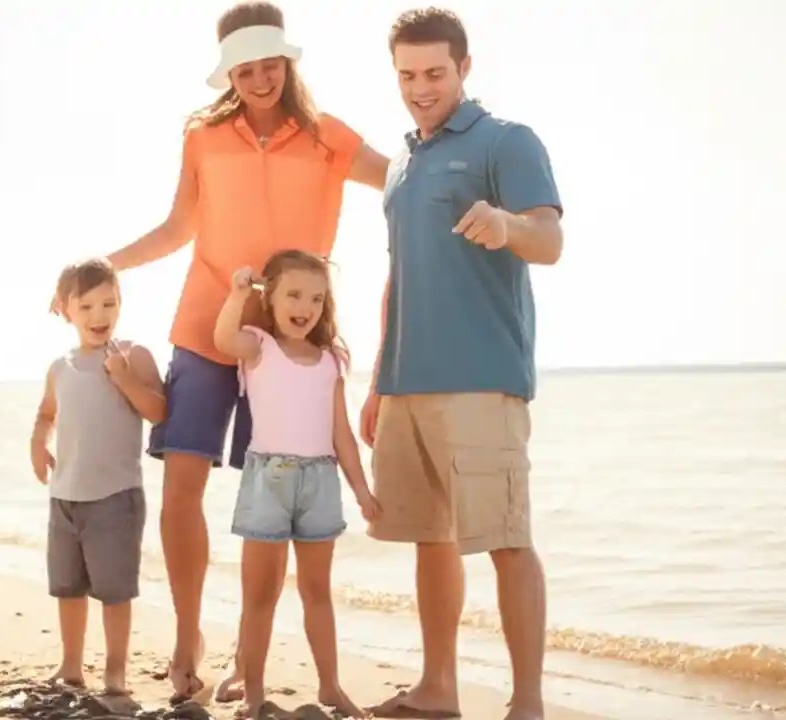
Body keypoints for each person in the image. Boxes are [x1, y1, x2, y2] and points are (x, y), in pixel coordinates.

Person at [106, 0, 389, 703]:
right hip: (209, 325)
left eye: (270, 65)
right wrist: (106, 264)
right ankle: (187, 637)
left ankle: (245, 656)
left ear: (286, 63)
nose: (260, 79)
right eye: (246, 69)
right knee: (182, 487)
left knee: (271, 492)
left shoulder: (328, 138)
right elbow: (180, 226)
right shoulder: (205, 137)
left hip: (292, 343)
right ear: (227, 72)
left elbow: (407, 180)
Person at [358, 8, 565, 720]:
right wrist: (379, 381)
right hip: (406, 384)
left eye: (435, 73)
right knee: (430, 541)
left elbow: (549, 238)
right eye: (407, 75)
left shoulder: (505, 142)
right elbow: (399, 277)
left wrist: (507, 225)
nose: (420, 88)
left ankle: (528, 703)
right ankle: (438, 690)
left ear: (465, 67)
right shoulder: (402, 165)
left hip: (483, 379)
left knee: (506, 540)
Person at [213, 250, 380, 719]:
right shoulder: (258, 345)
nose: (304, 306)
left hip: (321, 481)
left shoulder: (331, 361)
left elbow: (342, 434)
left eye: (316, 298)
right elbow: (222, 337)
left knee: (317, 591)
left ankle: (331, 686)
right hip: (269, 479)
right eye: (293, 294)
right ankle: (254, 690)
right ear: (271, 298)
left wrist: (363, 491)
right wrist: (237, 292)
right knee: (260, 594)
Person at [30, 258, 167, 695]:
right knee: (67, 588)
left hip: (116, 497)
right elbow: (46, 413)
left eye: (108, 303)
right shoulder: (60, 367)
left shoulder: (133, 355)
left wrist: (125, 380)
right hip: (65, 496)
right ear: (65, 309)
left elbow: (159, 412)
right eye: (86, 306)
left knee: (114, 591)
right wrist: (38, 443)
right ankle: (71, 666)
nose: (99, 316)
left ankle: (115, 671)